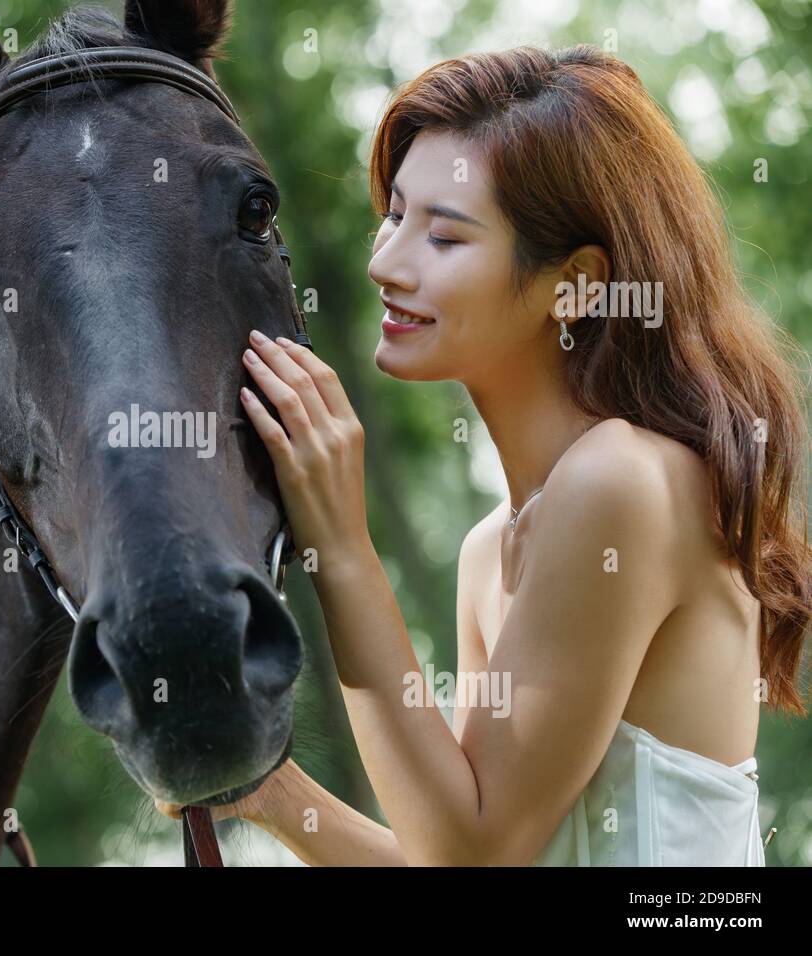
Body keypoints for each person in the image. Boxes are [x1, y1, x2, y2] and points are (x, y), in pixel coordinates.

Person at [157, 45, 810, 866]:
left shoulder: (625, 480)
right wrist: (261, 788)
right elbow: (453, 853)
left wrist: (343, 546)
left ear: (573, 285)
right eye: (394, 216)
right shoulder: (487, 553)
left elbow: (471, 855)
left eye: (446, 237)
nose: (385, 263)